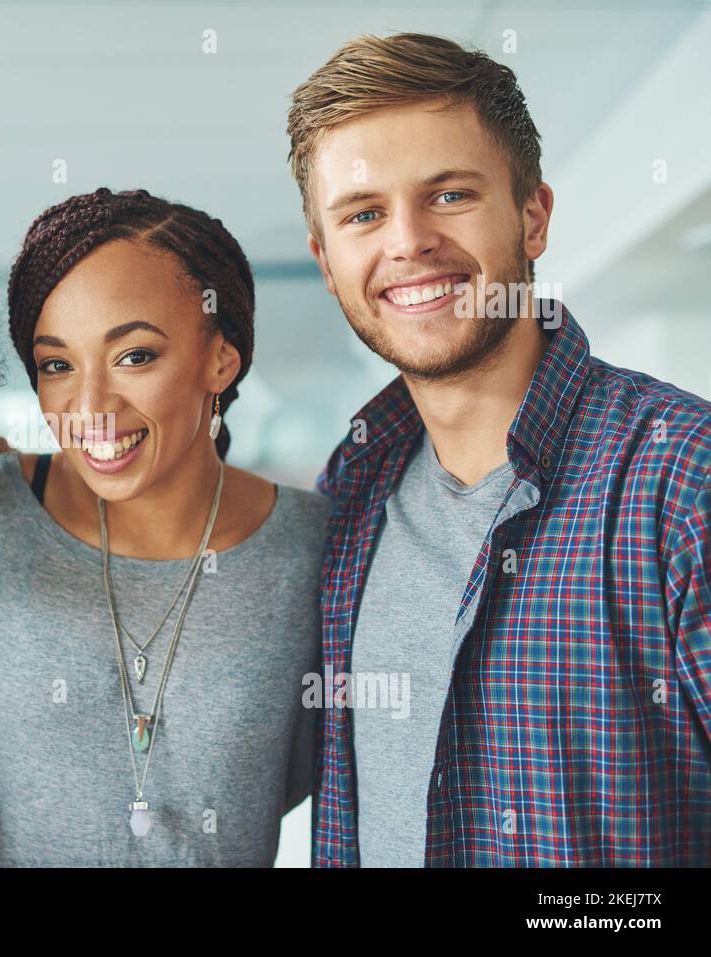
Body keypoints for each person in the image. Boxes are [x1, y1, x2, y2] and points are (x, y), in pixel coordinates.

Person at [288, 33, 711, 866]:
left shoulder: (683, 479)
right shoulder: (349, 492)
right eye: (364, 213)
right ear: (327, 262)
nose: (407, 241)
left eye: (448, 195)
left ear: (533, 215)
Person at [0, 188, 329, 866]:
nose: (90, 407)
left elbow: (301, 775)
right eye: (57, 365)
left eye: (135, 356)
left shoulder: (314, 545)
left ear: (222, 357)